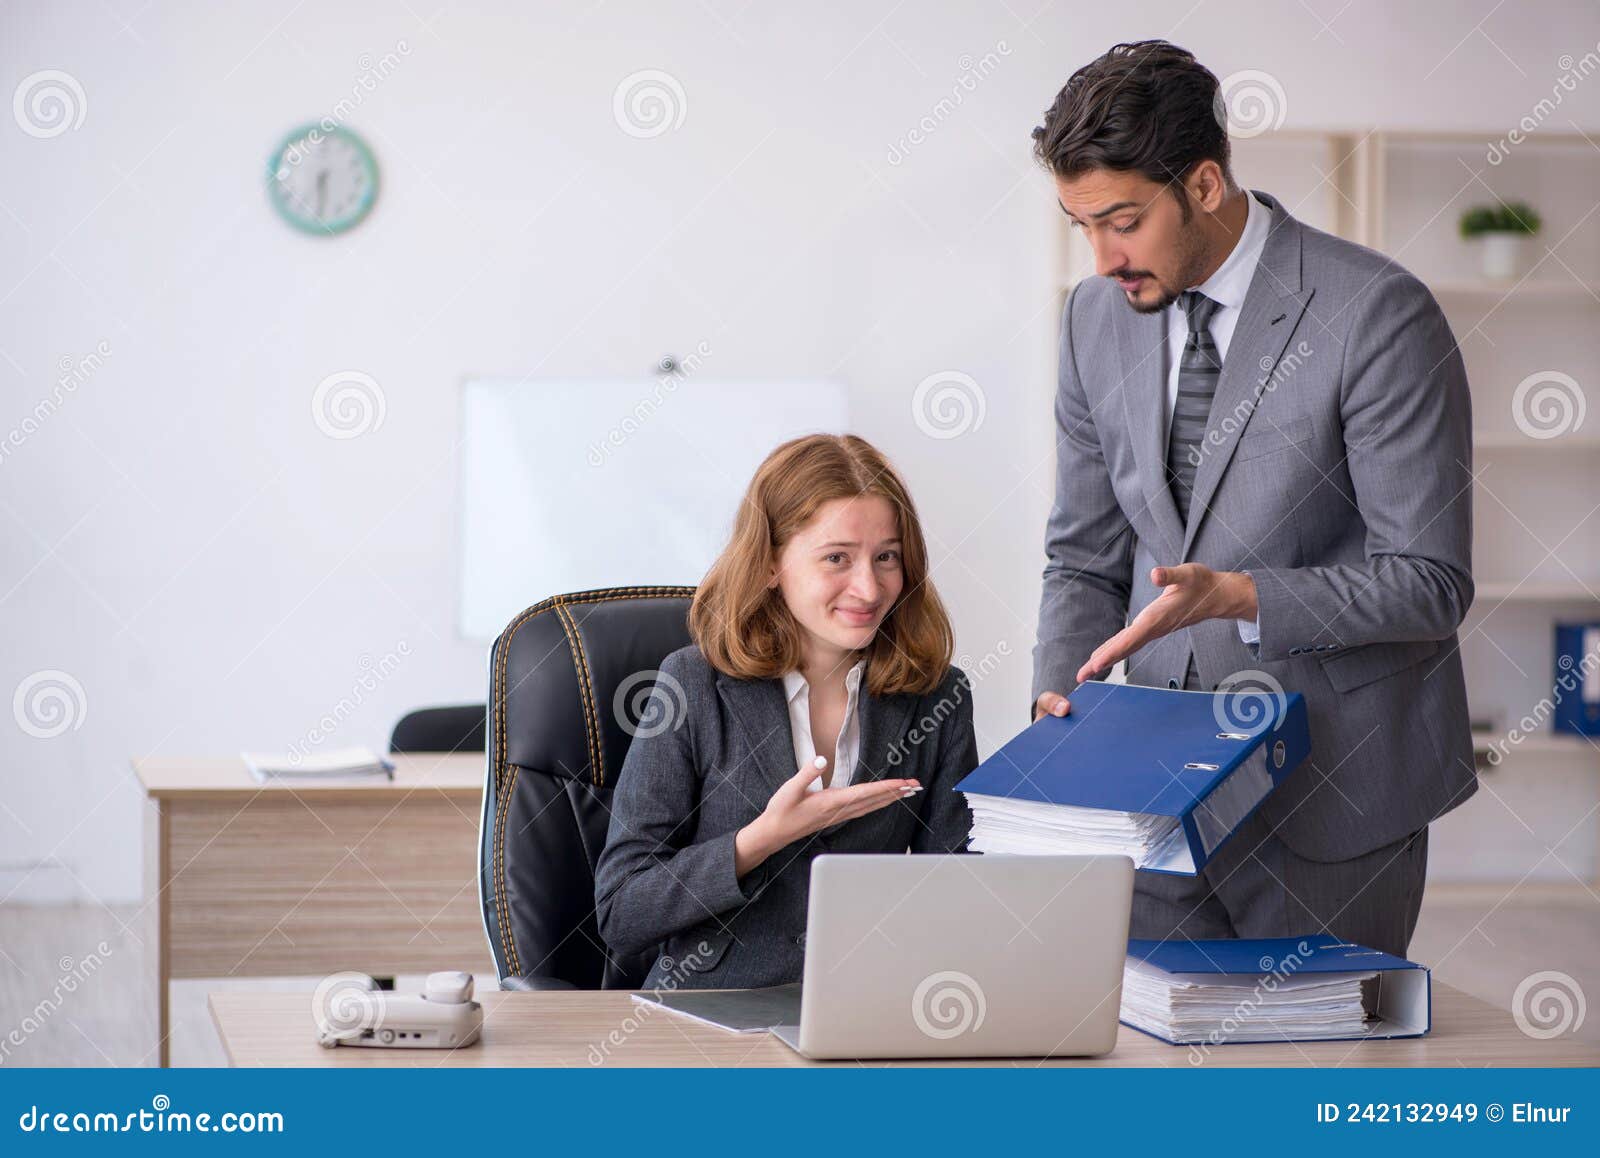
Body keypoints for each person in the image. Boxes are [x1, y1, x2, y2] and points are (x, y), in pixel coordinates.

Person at [1029, 41, 1475, 957]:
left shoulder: (1374, 312)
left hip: (1335, 792)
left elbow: (1430, 583)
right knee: (1143, 1046)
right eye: (1081, 225)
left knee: (1314, 1048)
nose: (1104, 257)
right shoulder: (1092, 318)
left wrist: (1242, 597)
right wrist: (1058, 708)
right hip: (1148, 797)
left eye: (1123, 221)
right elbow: (1082, 554)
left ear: (1203, 184)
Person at [594, 433, 976, 989]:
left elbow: (959, 891)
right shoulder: (693, 685)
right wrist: (760, 840)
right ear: (772, 563)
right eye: (837, 558)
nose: (869, 587)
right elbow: (622, 910)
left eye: (886, 557)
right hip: (710, 1010)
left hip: (865, 1007)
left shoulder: (938, 696)